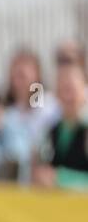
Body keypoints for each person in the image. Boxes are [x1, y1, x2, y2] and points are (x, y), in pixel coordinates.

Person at [33, 59, 88, 191]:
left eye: (71, 89)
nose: (67, 96)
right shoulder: (49, 131)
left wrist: (60, 178)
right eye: (63, 89)